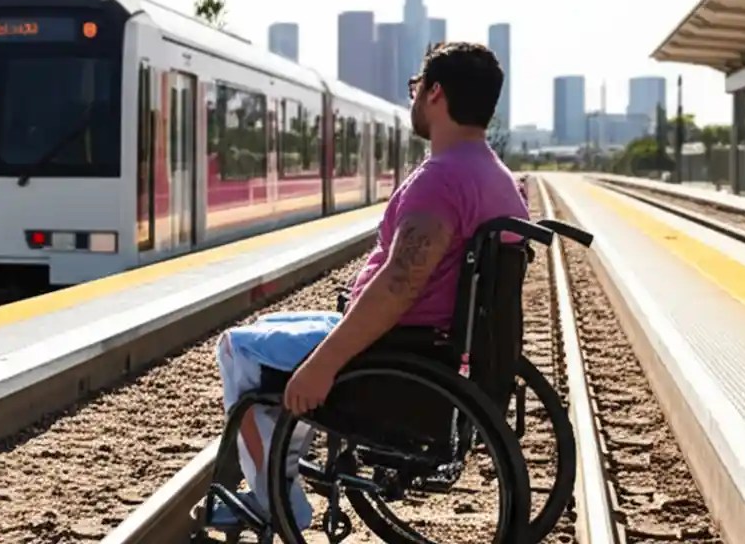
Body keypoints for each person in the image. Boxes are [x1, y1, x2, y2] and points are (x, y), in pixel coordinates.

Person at [208, 41, 529, 529]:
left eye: (416, 88)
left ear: (435, 93)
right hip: (426, 346)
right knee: (275, 327)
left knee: (238, 349)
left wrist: (324, 364)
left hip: (392, 355)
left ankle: (277, 499)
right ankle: (281, 469)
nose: (413, 98)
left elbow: (397, 287)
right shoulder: (496, 176)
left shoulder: (442, 180)